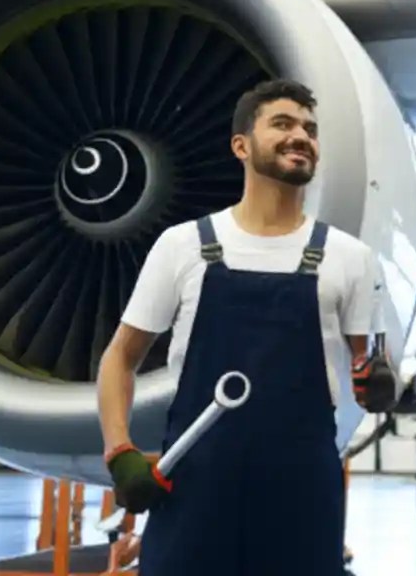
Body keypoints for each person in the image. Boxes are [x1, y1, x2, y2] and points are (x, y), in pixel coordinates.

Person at [95, 78, 397, 575]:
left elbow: (372, 372)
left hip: (301, 497)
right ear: (241, 145)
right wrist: (120, 452)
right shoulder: (183, 246)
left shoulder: (351, 259)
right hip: (193, 488)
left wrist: (383, 386)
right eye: (282, 123)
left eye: (309, 129)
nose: (300, 136)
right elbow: (119, 358)